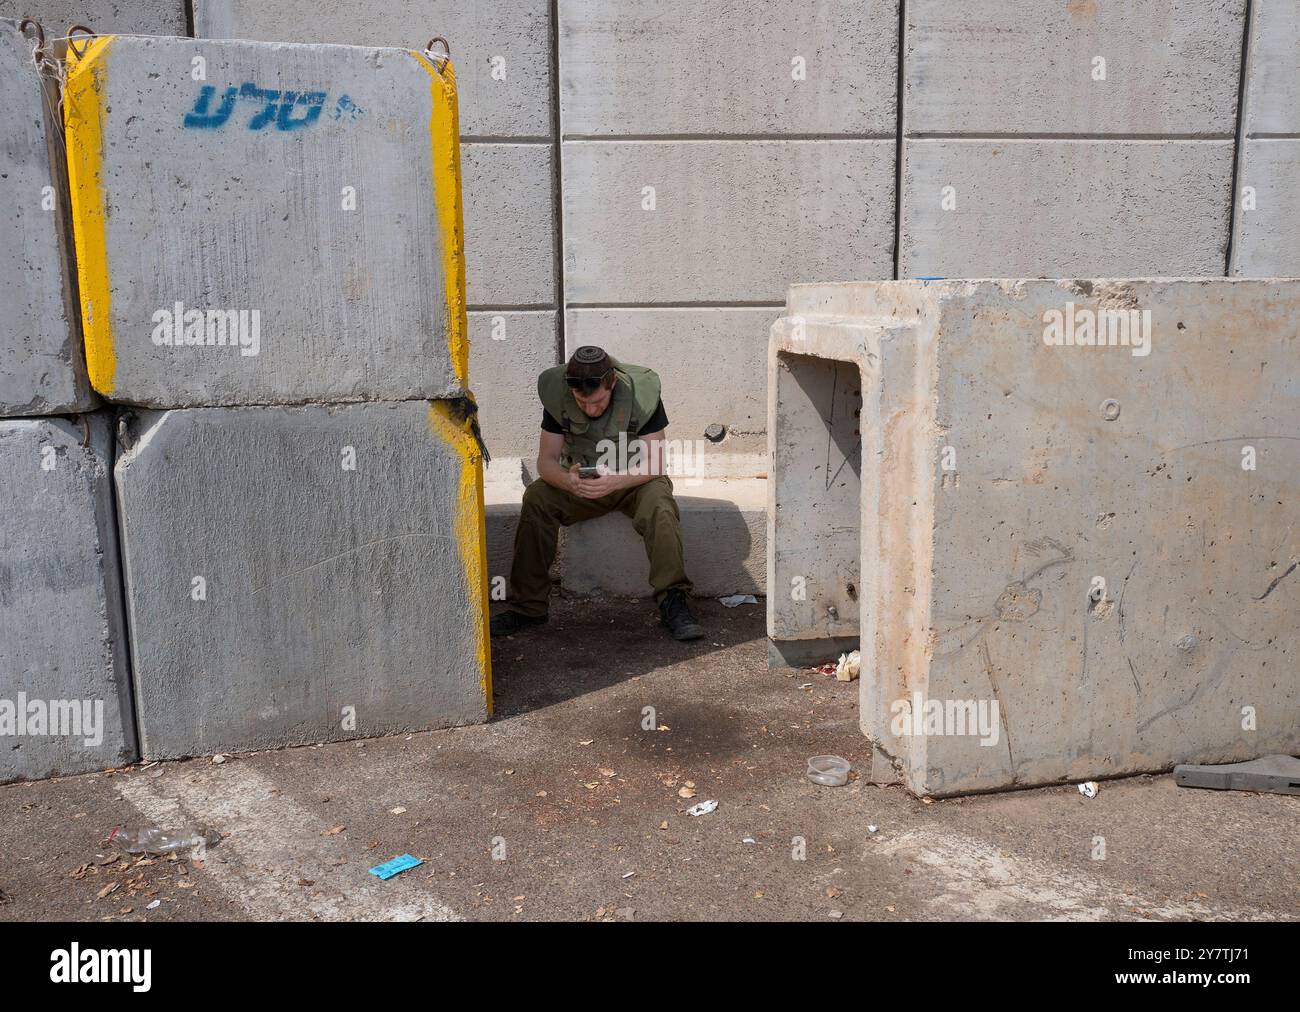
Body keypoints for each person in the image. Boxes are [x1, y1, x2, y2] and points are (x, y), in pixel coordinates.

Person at [489, 345, 704, 641]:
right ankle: (528, 608)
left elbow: (656, 463)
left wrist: (615, 482)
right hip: (581, 480)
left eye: (598, 401)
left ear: (612, 382)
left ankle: (674, 602)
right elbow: (546, 461)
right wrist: (569, 482)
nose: (590, 409)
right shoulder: (559, 394)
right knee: (537, 498)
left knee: (660, 505)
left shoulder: (641, 392)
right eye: (582, 402)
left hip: (633, 480)